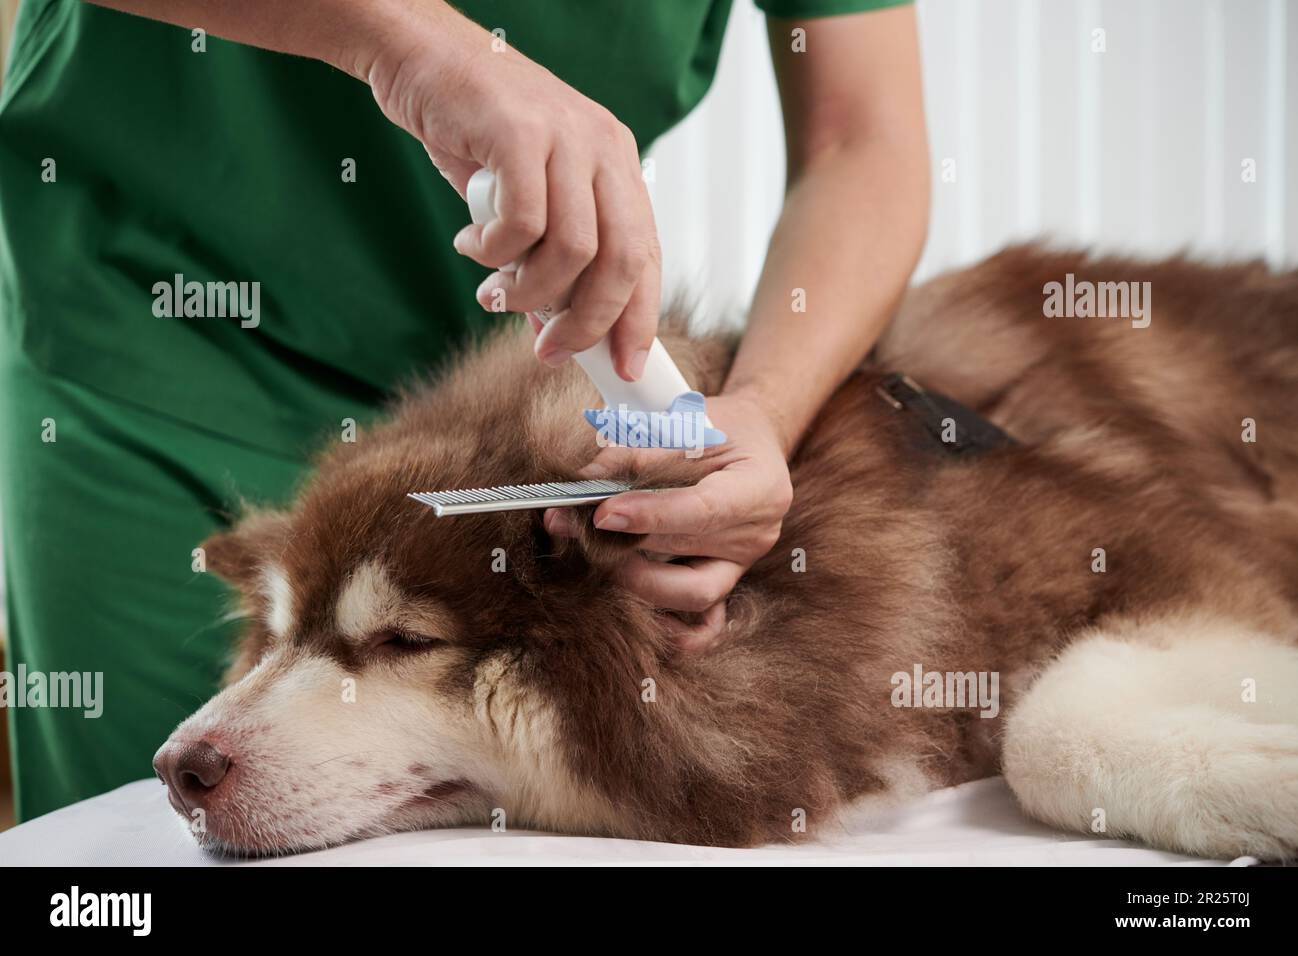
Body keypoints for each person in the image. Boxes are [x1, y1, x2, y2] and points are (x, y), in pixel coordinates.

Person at [0, 0, 928, 820]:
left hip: (508, 409)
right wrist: (408, 42)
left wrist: (763, 407)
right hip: (148, 338)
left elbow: (864, 140)